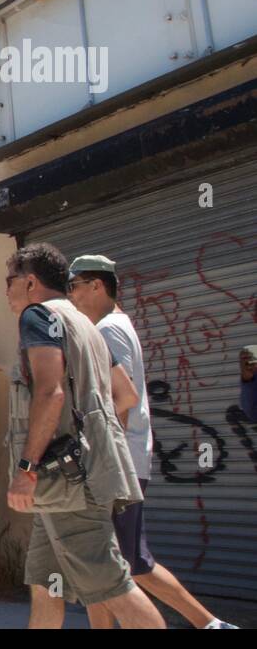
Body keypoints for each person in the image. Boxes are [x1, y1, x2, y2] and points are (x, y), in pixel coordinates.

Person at [67, 254, 236, 629]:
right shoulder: (113, 325)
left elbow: (119, 399)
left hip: (116, 464)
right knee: (108, 565)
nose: (71, 295)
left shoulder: (109, 329)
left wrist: (98, 460)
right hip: (121, 462)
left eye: (74, 286)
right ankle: (209, 625)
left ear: (97, 285)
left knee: (125, 564)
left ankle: (210, 624)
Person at [3, 243, 164, 629]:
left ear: (30, 282)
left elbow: (50, 391)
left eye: (9, 281)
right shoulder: (83, 324)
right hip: (72, 480)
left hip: (65, 482)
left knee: (113, 585)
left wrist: (27, 467)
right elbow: (125, 394)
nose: (7, 291)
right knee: (46, 584)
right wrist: (96, 450)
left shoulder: (37, 317)